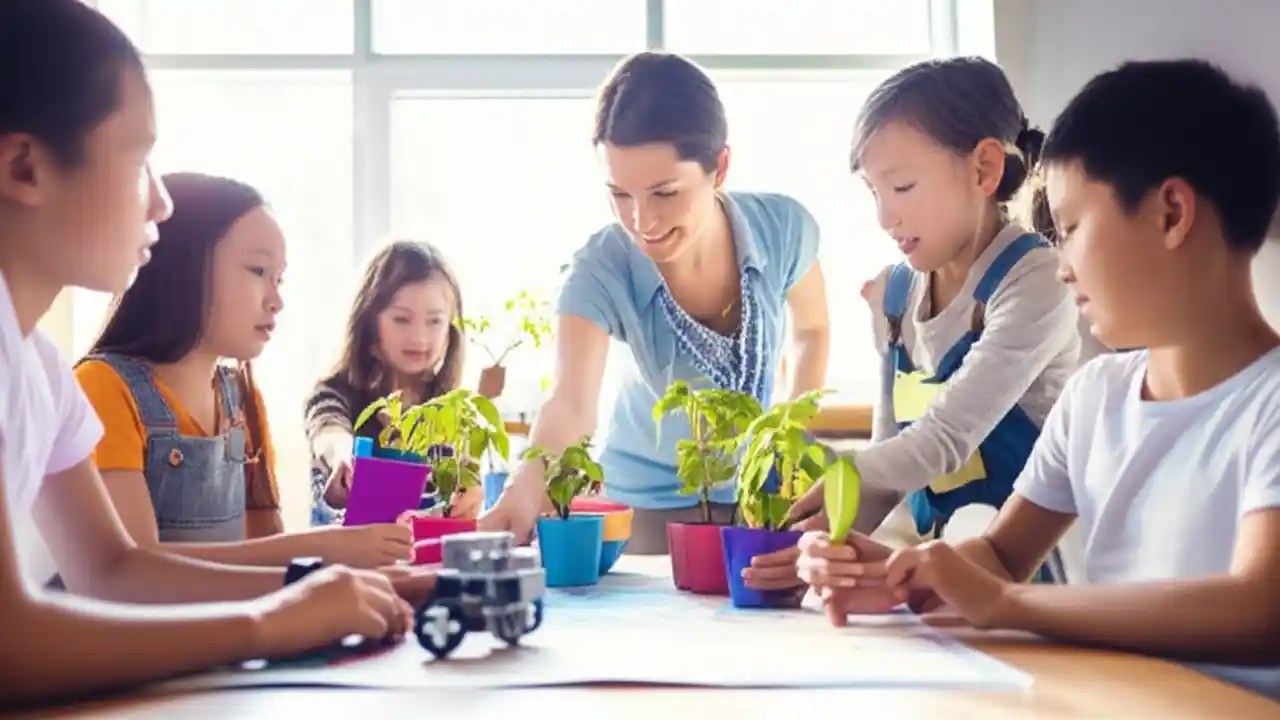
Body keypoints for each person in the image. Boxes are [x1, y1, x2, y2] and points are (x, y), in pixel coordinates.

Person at [0, 0, 426, 704]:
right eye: (138, 161)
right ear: (24, 166)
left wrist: (322, 587)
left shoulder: (37, 366)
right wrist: (267, 621)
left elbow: (113, 569)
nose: (161, 204)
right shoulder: (86, 377)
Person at [799, 59, 1280, 665]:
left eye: (1072, 226)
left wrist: (1008, 604)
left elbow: (1262, 609)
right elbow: (999, 556)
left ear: (1171, 214)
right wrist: (902, 576)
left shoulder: (1269, 403)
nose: (1061, 264)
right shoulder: (1095, 396)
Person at [744, 57, 1080, 592]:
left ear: (983, 170)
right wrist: (819, 540)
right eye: (874, 193)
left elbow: (943, 438)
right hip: (927, 575)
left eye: (901, 188)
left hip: (1014, 576)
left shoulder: (1036, 279)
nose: (884, 216)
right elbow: (891, 461)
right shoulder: (895, 298)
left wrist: (841, 472)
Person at [480, 52, 830, 552]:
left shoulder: (782, 227)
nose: (641, 221)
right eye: (619, 194)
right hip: (645, 511)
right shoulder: (601, 267)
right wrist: (524, 485)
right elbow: (572, 401)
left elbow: (811, 329)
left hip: (764, 498)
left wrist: (791, 435)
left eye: (664, 193)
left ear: (720, 167)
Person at [76, 173, 414, 569]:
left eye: (280, 278)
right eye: (258, 271)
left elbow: (267, 555)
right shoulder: (102, 387)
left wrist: (347, 548)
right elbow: (135, 569)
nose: (276, 301)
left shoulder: (242, 398)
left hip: (229, 628)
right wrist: (325, 548)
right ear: (184, 266)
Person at [306, 240, 501, 526]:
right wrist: (344, 458)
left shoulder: (452, 411)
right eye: (401, 319)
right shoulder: (335, 393)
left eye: (434, 321)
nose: (419, 337)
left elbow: (466, 484)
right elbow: (327, 429)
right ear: (370, 321)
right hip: (345, 566)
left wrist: (468, 496)